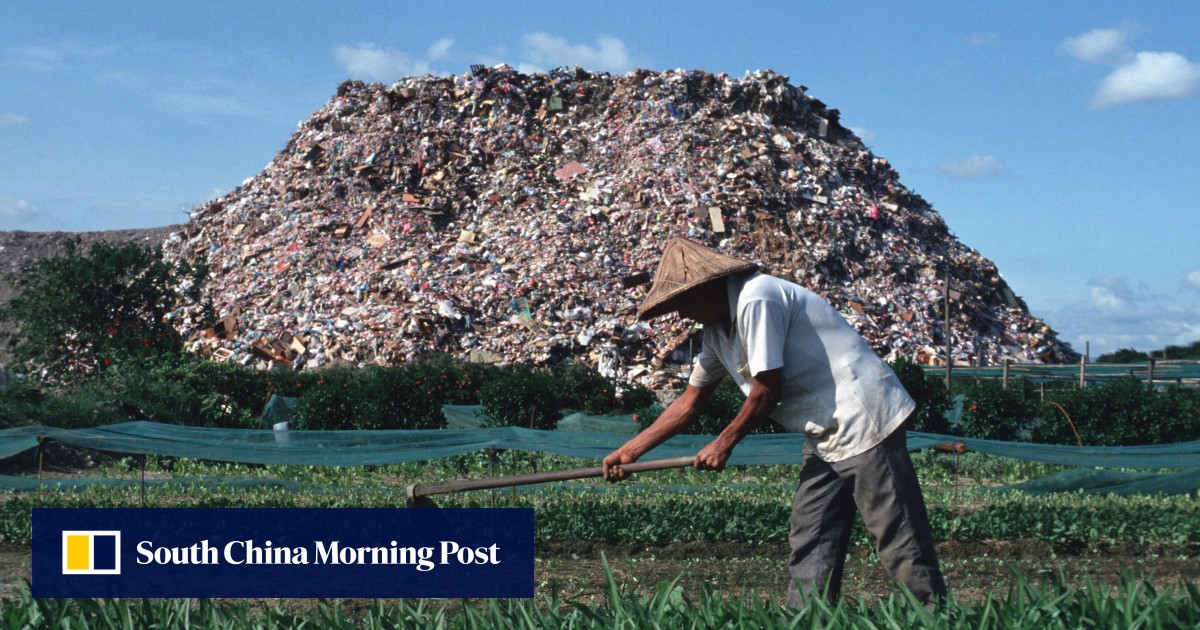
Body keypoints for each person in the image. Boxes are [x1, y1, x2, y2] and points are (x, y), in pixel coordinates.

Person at [602, 236, 946, 608]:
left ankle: (932, 613)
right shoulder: (716, 333)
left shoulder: (756, 297)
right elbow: (689, 403)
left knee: (895, 530)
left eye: (682, 302)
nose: (682, 314)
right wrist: (630, 451)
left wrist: (723, 443)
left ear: (705, 288)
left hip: (861, 414)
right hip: (822, 429)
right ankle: (806, 617)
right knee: (812, 531)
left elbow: (767, 390)